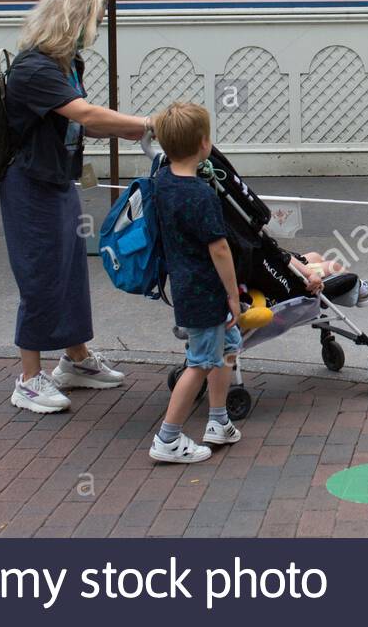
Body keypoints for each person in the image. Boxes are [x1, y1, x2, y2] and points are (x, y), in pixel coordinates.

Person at [2, 0, 151, 414]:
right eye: (97, 18)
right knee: (40, 274)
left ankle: (76, 360)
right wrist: (145, 123)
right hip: (29, 184)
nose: (99, 26)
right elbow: (82, 112)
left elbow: (83, 123)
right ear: (75, 19)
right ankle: (28, 380)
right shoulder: (34, 68)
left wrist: (130, 130)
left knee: (68, 269)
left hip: (58, 178)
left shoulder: (68, 63)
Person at [148, 102, 245, 464]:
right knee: (201, 362)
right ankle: (167, 438)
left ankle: (218, 420)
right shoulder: (201, 194)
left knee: (228, 345)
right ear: (205, 144)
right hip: (205, 291)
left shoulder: (163, 182)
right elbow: (219, 249)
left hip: (185, 285)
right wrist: (233, 295)